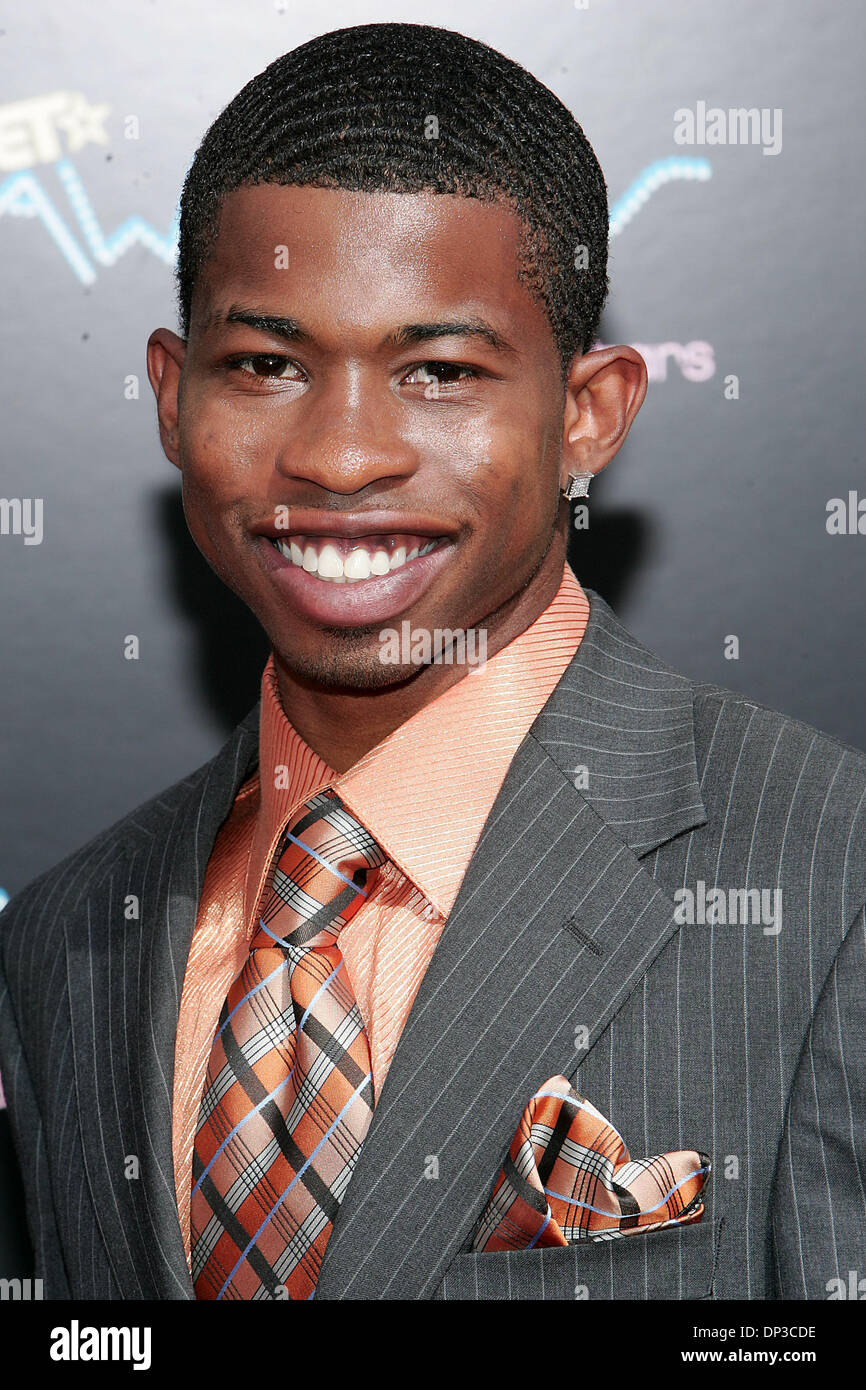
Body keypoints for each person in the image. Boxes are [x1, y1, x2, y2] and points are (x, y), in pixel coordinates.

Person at [1, 21, 864, 1302]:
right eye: (268, 364)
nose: (342, 458)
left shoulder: (832, 877)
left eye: (439, 372)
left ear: (587, 414)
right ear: (173, 397)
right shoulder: (69, 936)